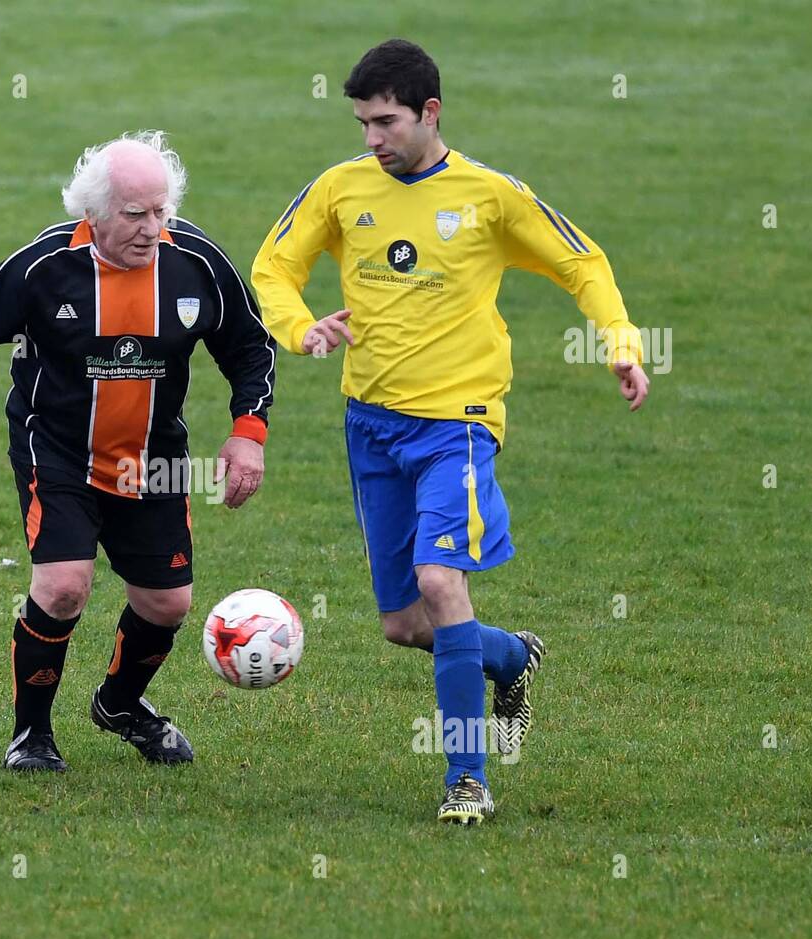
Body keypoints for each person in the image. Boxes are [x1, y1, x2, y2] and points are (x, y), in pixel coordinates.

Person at [251, 40, 649, 824]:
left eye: (387, 121)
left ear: (431, 112)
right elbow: (272, 265)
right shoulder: (339, 189)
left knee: (441, 582)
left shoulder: (490, 196)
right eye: (363, 122)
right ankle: (511, 655)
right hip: (371, 425)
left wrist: (622, 343)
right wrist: (300, 329)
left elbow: (583, 262)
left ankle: (468, 778)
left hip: (457, 427)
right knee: (405, 623)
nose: (372, 137)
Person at [0, 131, 275, 772]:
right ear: (91, 214)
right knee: (65, 587)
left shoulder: (197, 264)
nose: (153, 228)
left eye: (161, 211)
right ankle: (31, 736)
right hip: (59, 454)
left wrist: (247, 434)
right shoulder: (44, 268)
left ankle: (121, 707)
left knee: (168, 603)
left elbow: (250, 349)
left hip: (154, 459)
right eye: (134, 215)